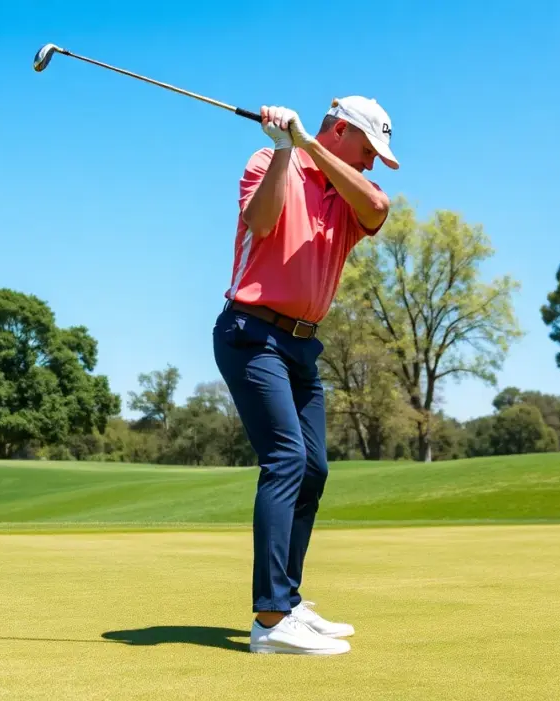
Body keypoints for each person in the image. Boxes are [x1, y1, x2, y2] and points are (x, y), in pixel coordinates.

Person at [212, 96, 399, 655]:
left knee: (313, 468)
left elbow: (378, 208)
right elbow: (261, 221)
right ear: (341, 130)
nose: (370, 161)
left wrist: (309, 145)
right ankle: (270, 620)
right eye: (367, 148)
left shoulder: (346, 191)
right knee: (286, 459)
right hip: (251, 333)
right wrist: (282, 149)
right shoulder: (266, 162)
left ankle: (289, 601)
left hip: (301, 347)